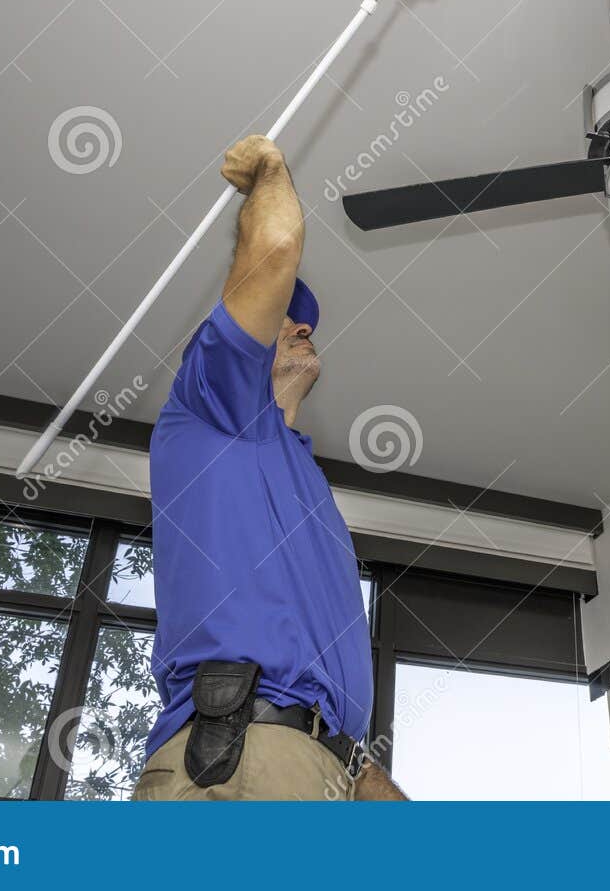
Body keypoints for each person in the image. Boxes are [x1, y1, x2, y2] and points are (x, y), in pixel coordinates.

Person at [132, 135, 405, 801]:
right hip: (238, 757)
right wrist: (269, 172)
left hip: (322, 769)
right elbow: (276, 245)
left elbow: (322, 684)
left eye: (307, 321)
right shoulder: (207, 410)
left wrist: (366, 777)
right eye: (285, 316)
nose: (302, 326)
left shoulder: (308, 480)